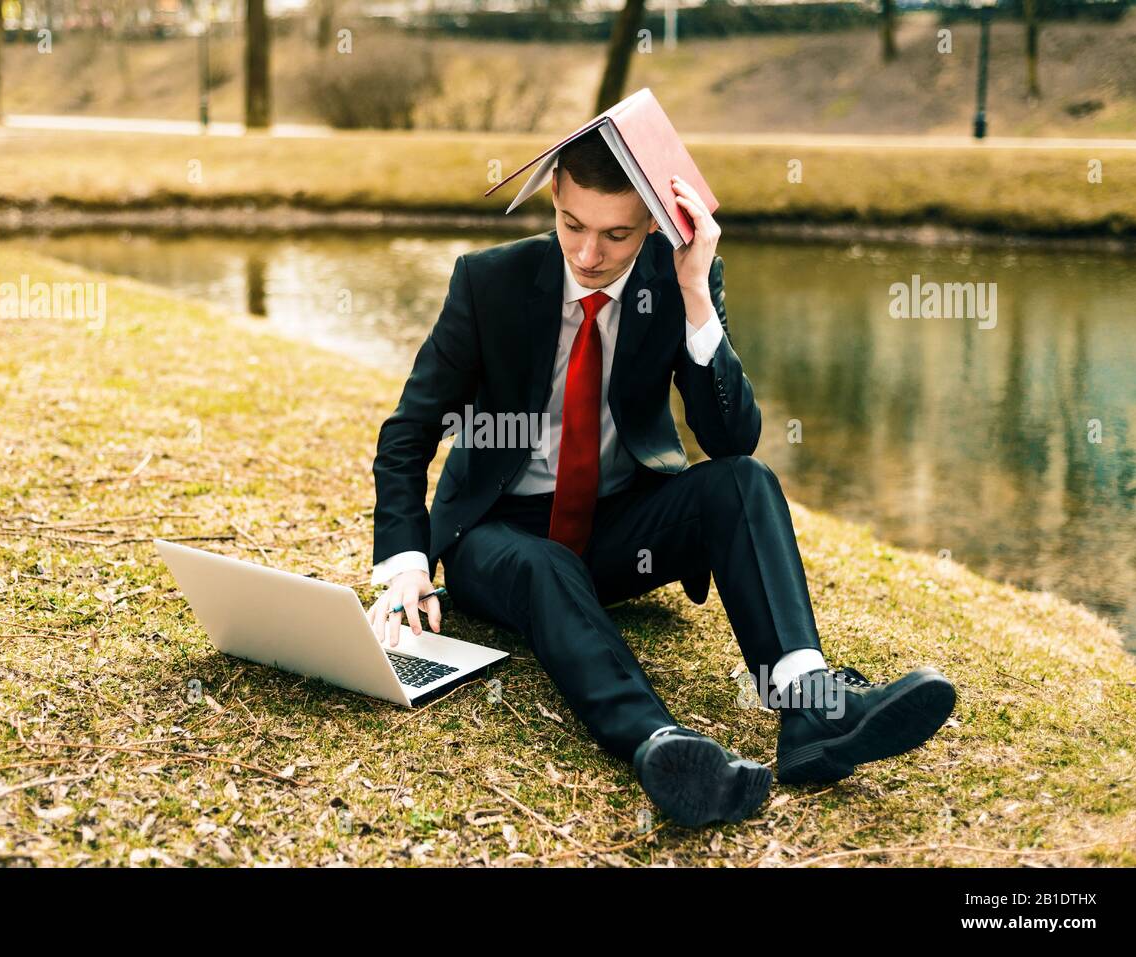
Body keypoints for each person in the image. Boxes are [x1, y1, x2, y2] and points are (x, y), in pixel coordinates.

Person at [367, 129, 956, 828]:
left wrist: (696, 297)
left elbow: (731, 438)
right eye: (573, 225)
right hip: (499, 540)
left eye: (616, 234)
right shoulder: (488, 281)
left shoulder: (676, 283)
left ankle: (808, 707)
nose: (589, 255)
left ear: (652, 218)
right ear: (554, 196)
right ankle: (661, 743)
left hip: (620, 532)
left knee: (744, 479)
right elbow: (409, 430)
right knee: (546, 564)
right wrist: (405, 563)